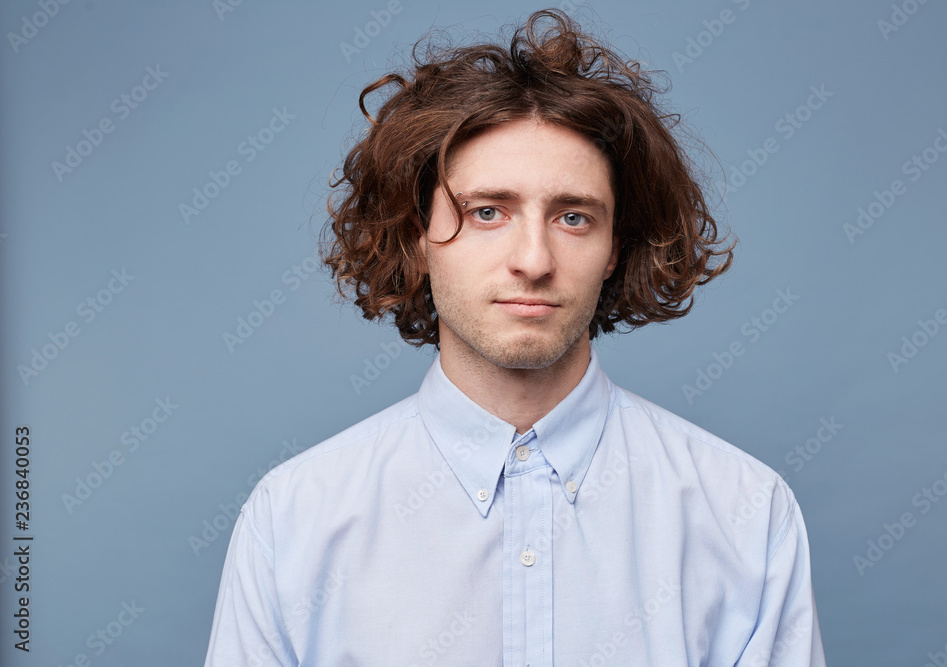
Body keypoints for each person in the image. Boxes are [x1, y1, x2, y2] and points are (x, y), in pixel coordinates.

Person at [203, 8, 826, 666]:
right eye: (488, 211)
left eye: (574, 216)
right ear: (417, 236)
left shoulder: (745, 514)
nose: (533, 258)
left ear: (616, 247)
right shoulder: (294, 520)